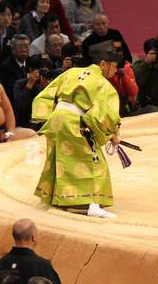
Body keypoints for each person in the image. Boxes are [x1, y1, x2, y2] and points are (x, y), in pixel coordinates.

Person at [31, 54, 126, 217]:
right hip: (75, 123)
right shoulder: (102, 83)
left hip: (56, 120)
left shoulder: (71, 72)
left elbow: (47, 93)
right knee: (93, 162)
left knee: (60, 159)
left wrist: (45, 115)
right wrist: (111, 134)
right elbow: (103, 115)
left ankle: (57, 198)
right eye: (114, 66)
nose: (115, 71)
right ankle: (88, 204)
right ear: (103, 64)